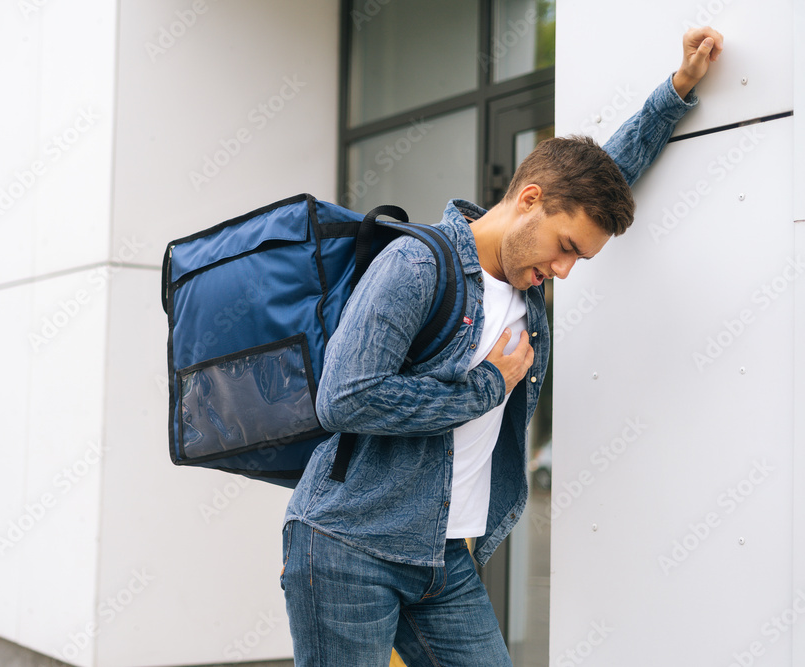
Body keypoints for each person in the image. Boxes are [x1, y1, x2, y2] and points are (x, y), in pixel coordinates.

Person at [280, 26, 724, 667]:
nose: (566, 270)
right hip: (348, 544)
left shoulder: (528, 275)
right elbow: (345, 399)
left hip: (442, 557)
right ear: (529, 200)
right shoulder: (417, 263)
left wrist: (677, 90)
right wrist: (488, 385)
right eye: (566, 249)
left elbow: (607, 172)